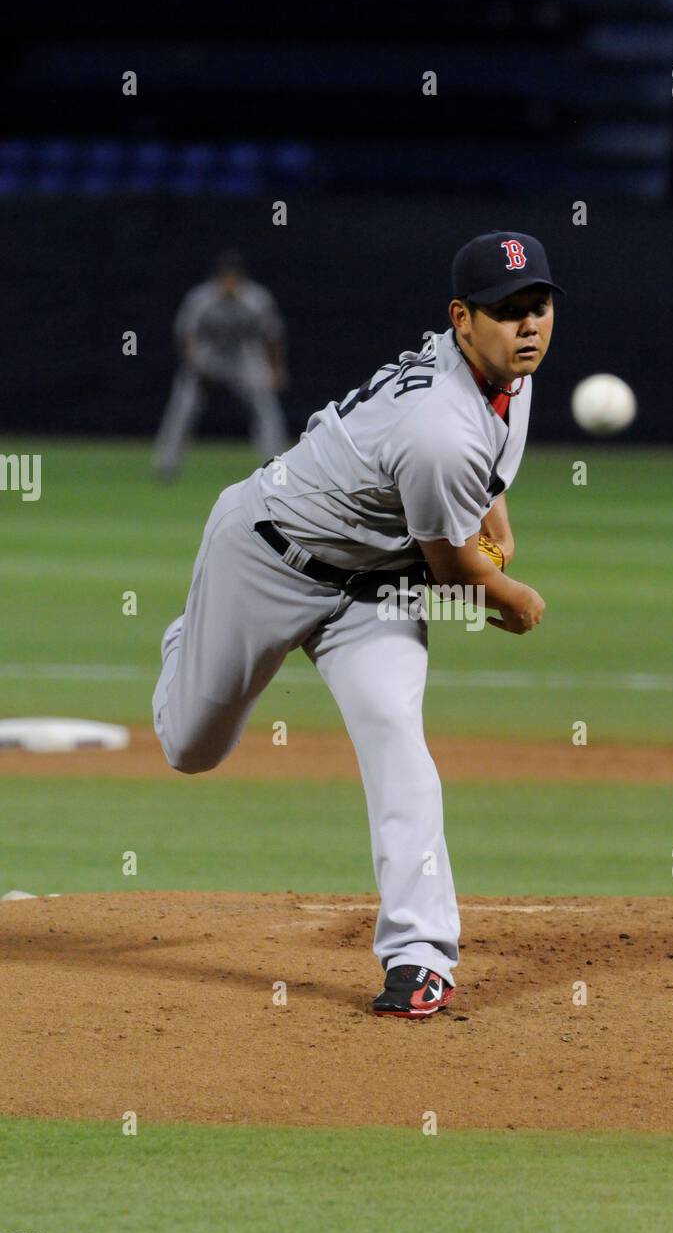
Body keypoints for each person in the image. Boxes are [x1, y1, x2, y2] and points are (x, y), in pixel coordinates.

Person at [152, 231, 562, 1017]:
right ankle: (193, 637)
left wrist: (494, 536)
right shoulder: (436, 424)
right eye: (507, 311)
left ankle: (420, 956)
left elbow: (483, 484)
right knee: (190, 749)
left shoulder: (505, 370)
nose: (528, 325)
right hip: (266, 556)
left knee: (393, 732)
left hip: (377, 585)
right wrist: (511, 597)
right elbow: (455, 574)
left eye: (537, 306)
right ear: (460, 319)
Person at [152, 252, 289, 479]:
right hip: (208, 356)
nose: (229, 282)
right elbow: (186, 336)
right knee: (183, 406)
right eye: (225, 277)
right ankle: (166, 464)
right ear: (216, 278)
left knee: (266, 406)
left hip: (244, 356)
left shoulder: (257, 299)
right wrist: (195, 367)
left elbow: (273, 336)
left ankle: (276, 466)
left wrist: (277, 370)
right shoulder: (200, 299)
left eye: (234, 277)